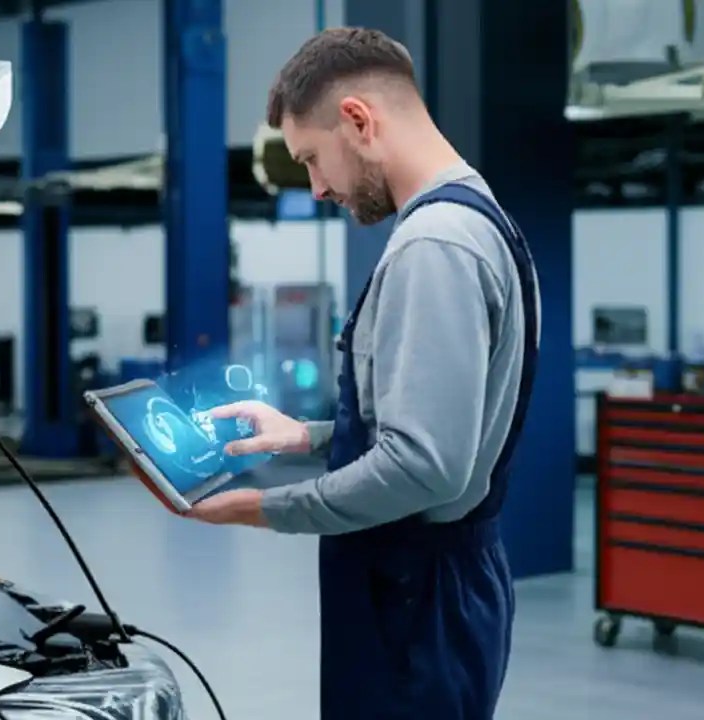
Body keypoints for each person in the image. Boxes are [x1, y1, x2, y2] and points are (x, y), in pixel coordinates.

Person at [185, 27, 540, 720]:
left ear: (357, 120)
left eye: (312, 159)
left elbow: (425, 468)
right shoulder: (477, 217)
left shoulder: (433, 244)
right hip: (439, 582)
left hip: (417, 596)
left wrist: (264, 510)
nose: (317, 187)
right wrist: (309, 437)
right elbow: (441, 423)